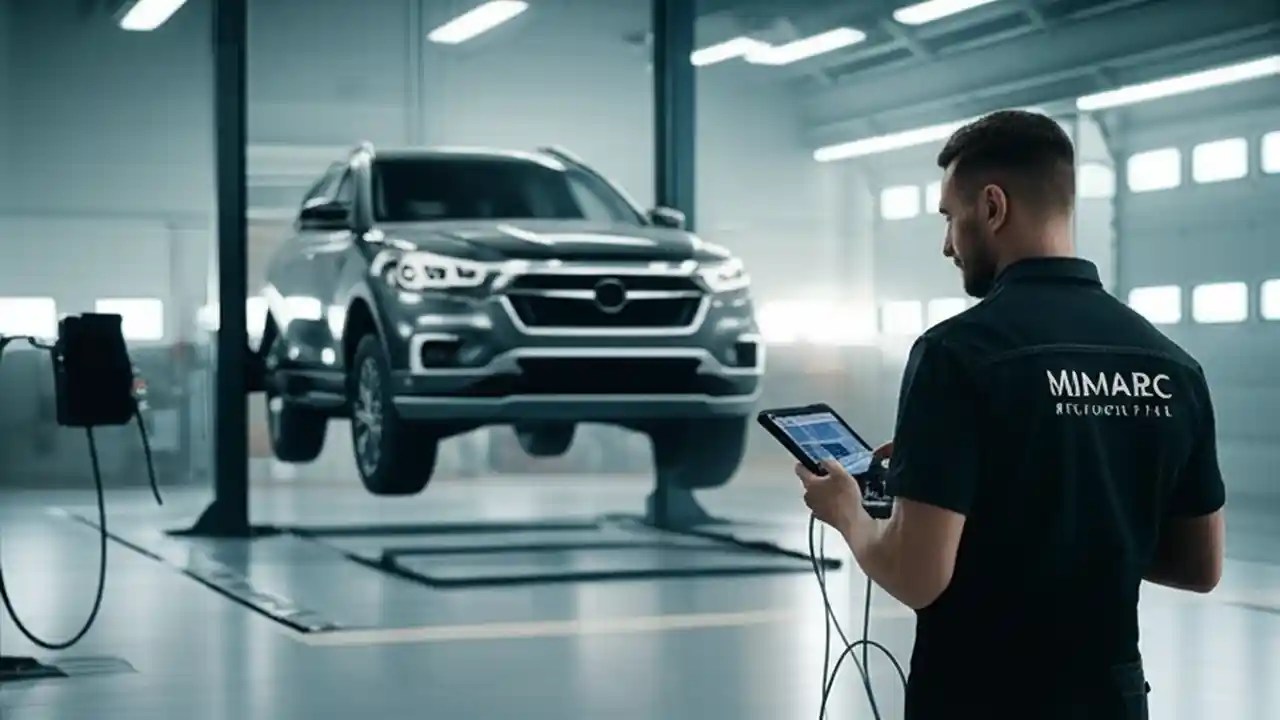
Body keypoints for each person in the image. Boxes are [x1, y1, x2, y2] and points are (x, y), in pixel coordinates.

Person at [797, 110, 1226, 719]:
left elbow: (918, 578)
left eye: (950, 216)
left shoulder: (956, 354)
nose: (947, 243)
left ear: (992, 207)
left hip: (981, 694)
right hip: (1111, 700)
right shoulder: (1172, 365)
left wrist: (850, 517)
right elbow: (1198, 565)